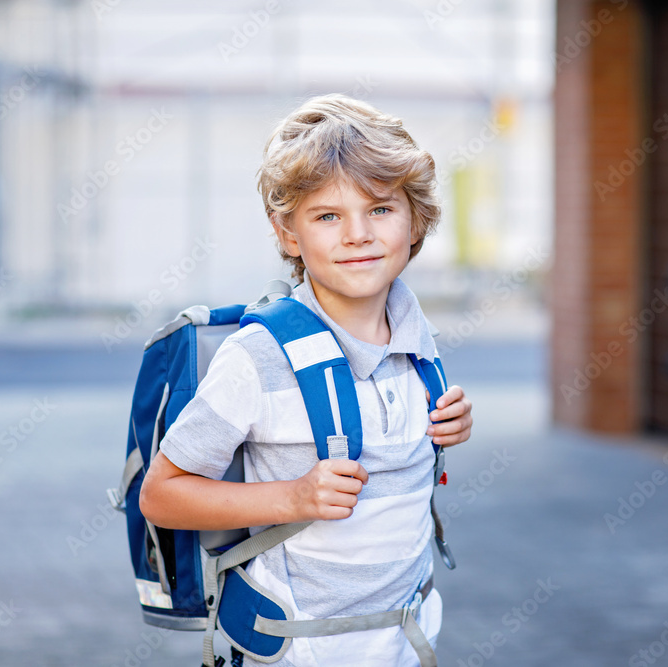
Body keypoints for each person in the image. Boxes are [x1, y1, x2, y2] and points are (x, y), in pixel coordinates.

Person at [139, 93, 474, 666]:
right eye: (327, 216)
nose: (358, 235)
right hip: (301, 653)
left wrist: (450, 422)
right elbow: (161, 496)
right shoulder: (257, 357)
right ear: (289, 234)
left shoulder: (418, 340)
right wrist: (292, 496)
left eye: (380, 209)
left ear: (415, 218)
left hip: (406, 645)